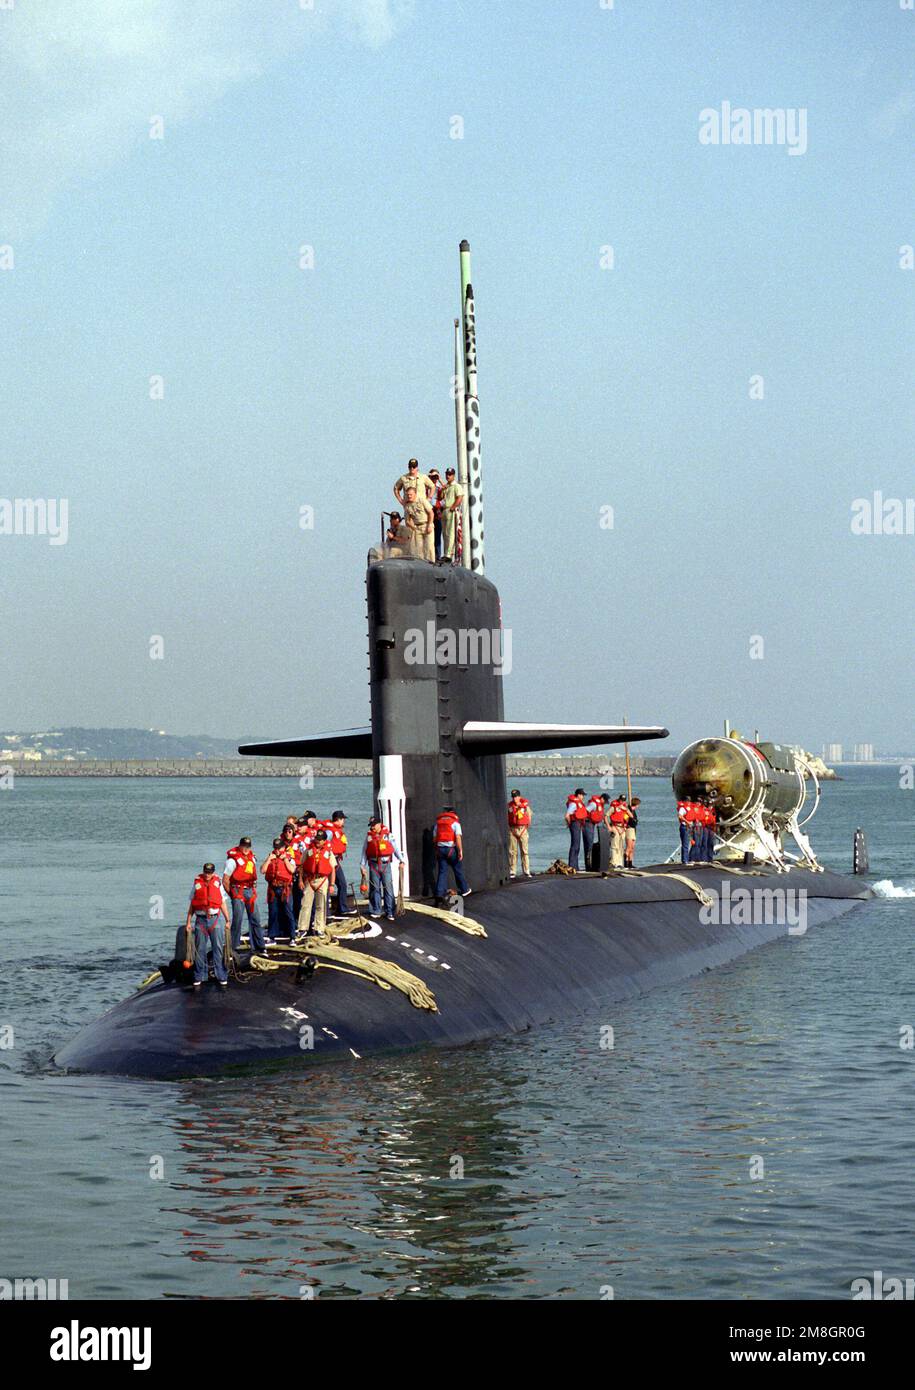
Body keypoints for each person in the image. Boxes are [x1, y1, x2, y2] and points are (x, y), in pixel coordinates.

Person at [185, 862, 232, 988]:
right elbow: (192, 905)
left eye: (210, 872)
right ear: (203, 871)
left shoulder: (218, 883)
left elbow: (222, 903)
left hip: (215, 920)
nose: (207, 875)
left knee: (218, 948)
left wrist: (228, 920)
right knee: (199, 950)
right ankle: (199, 975)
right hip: (200, 920)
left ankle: (221, 975)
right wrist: (188, 922)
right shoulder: (197, 884)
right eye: (206, 872)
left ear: (213, 872)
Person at [224, 836, 265, 954]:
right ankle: (233, 947)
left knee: (255, 919)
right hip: (238, 891)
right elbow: (225, 879)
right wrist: (232, 895)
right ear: (240, 846)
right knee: (238, 919)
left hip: (250, 891)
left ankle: (259, 946)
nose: (246, 849)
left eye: (248, 847)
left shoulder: (252, 858)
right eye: (244, 846)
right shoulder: (232, 861)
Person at [359, 815, 403, 921]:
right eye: (371, 825)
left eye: (374, 825)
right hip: (373, 864)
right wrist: (362, 865)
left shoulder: (388, 835)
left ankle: (390, 911)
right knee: (375, 888)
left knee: (388, 888)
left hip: (385, 864)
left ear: (379, 824)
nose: (372, 827)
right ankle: (376, 910)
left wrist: (401, 860)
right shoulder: (369, 836)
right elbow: (365, 850)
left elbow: (395, 848)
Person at [296, 829, 337, 940]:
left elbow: (333, 868)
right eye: (317, 839)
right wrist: (300, 880)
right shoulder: (309, 850)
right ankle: (302, 928)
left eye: (320, 840)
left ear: (324, 841)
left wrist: (332, 884)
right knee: (305, 904)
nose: (318, 842)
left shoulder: (328, 852)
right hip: (309, 879)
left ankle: (319, 928)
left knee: (321, 906)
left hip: (322, 880)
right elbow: (301, 865)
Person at [262, 837, 296, 940]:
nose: (277, 850)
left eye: (279, 848)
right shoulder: (270, 857)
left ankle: (292, 936)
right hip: (273, 888)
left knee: (288, 911)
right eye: (275, 848)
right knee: (273, 912)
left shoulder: (289, 857)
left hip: (285, 888)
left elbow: (292, 870)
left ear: (283, 848)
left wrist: (285, 859)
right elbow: (263, 870)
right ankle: (272, 935)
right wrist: (268, 859)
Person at [434, 806, 471, 899]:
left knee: (442, 871)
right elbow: (458, 837)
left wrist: (437, 849)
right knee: (457, 869)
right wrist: (460, 851)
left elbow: (434, 838)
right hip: (451, 849)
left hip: (440, 849)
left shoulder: (438, 823)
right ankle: (465, 889)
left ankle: (439, 893)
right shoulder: (455, 823)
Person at [327, 811, 355, 918]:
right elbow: (325, 843)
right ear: (338, 819)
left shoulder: (337, 831)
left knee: (341, 884)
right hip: (331, 860)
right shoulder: (330, 831)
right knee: (333, 885)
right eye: (342, 819)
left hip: (336, 860)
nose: (343, 821)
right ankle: (333, 910)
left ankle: (341, 908)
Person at [404, 486, 435, 562]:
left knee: (429, 547)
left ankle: (431, 563)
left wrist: (429, 525)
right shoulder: (407, 506)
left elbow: (431, 513)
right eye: (408, 495)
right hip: (417, 527)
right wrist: (413, 527)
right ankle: (421, 564)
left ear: (415, 494)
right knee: (419, 549)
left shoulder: (422, 501)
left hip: (426, 525)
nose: (409, 496)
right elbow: (407, 521)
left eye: (411, 494)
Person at [507, 789, 533, 878]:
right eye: (513, 797)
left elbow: (529, 815)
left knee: (524, 851)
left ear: (519, 797)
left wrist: (526, 826)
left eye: (516, 797)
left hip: (522, 830)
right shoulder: (509, 806)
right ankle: (512, 871)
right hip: (512, 830)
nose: (515, 798)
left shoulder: (525, 806)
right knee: (512, 852)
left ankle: (526, 871)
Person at [440, 467, 464, 562]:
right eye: (447, 474)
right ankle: (446, 552)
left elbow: (460, 497)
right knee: (445, 533)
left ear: (453, 475)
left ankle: (449, 554)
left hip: (451, 510)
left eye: (450, 474)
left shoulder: (456, 486)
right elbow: (441, 497)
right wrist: (443, 488)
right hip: (444, 510)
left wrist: (453, 507)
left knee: (450, 533)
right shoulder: (447, 486)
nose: (448, 476)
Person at [565, 788, 589, 869]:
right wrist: (569, 823)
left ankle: (575, 866)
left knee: (577, 846)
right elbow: (567, 815)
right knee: (575, 845)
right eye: (582, 795)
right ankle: (572, 865)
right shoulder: (574, 804)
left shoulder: (579, 803)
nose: (583, 797)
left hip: (578, 824)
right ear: (578, 795)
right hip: (574, 824)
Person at [607, 795, 629, 868]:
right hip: (615, 826)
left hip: (622, 828)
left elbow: (628, 817)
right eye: (621, 800)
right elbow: (606, 815)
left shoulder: (624, 809)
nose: (622, 802)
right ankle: (613, 862)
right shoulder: (614, 807)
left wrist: (625, 827)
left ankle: (620, 863)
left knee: (621, 846)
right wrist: (609, 826)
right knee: (614, 845)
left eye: (623, 800)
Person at [585, 791, 605, 869]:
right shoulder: (593, 804)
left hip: (592, 824)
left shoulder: (600, 804)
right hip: (588, 823)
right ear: (602, 798)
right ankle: (588, 865)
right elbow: (586, 811)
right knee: (589, 843)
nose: (604, 803)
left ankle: (590, 864)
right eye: (604, 801)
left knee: (591, 842)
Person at [427, 468, 444, 558]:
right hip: (427, 515)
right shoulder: (426, 487)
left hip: (437, 514)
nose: (434, 478)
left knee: (437, 536)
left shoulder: (440, 488)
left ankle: (437, 556)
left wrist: (440, 480)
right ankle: (429, 555)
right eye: (432, 477)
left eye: (435, 477)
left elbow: (446, 497)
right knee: (428, 536)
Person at [624, 797, 641, 868]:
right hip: (629, 829)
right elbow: (625, 818)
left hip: (633, 830)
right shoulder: (628, 810)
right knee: (629, 847)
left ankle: (630, 863)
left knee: (632, 847)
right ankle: (625, 862)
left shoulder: (633, 811)